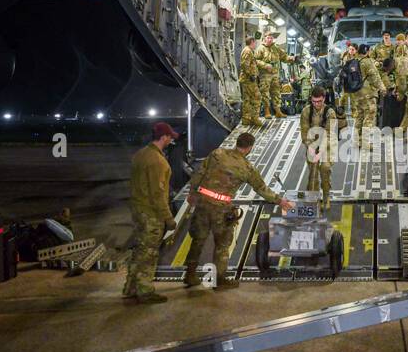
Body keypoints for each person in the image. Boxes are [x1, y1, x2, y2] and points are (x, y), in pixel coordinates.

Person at [184, 133, 292, 289]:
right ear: (249, 148)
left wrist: (192, 192)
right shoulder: (246, 168)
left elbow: (199, 172)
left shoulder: (217, 153)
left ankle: (190, 274)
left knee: (198, 240)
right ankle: (219, 280)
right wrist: (280, 201)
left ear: (237, 143)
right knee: (222, 244)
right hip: (221, 208)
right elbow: (261, 188)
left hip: (202, 202)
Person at [123, 122, 179, 305]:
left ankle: (130, 287)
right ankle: (145, 291)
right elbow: (158, 194)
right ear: (163, 137)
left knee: (139, 249)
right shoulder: (158, 162)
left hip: (138, 210)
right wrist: (169, 219)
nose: (171, 140)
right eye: (170, 137)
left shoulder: (140, 155)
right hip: (151, 214)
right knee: (149, 253)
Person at [299, 87, 339, 209]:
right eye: (314, 101)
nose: (316, 104)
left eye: (319, 101)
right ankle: (313, 198)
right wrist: (310, 148)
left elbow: (328, 134)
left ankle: (326, 198)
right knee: (313, 172)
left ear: (324, 99)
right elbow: (304, 132)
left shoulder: (330, 112)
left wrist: (320, 152)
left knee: (325, 169)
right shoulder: (306, 111)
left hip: (327, 144)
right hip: (312, 143)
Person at [354, 43, 387, 138]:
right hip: (368, 93)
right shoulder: (367, 62)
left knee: (359, 116)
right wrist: (382, 88)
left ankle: (357, 140)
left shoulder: (354, 61)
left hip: (357, 93)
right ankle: (365, 142)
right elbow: (375, 78)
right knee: (369, 117)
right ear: (367, 51)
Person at [238, 36, 264, 128]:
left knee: (247, 99)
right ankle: (255, 118)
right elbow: (245, 64)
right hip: (249, 80)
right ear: (252, 42)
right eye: (255, 42)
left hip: (246, 79)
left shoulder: (247, 50)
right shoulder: (248, 51)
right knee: (257, 97)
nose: (255, 44)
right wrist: (251, 75)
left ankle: (246, 119)